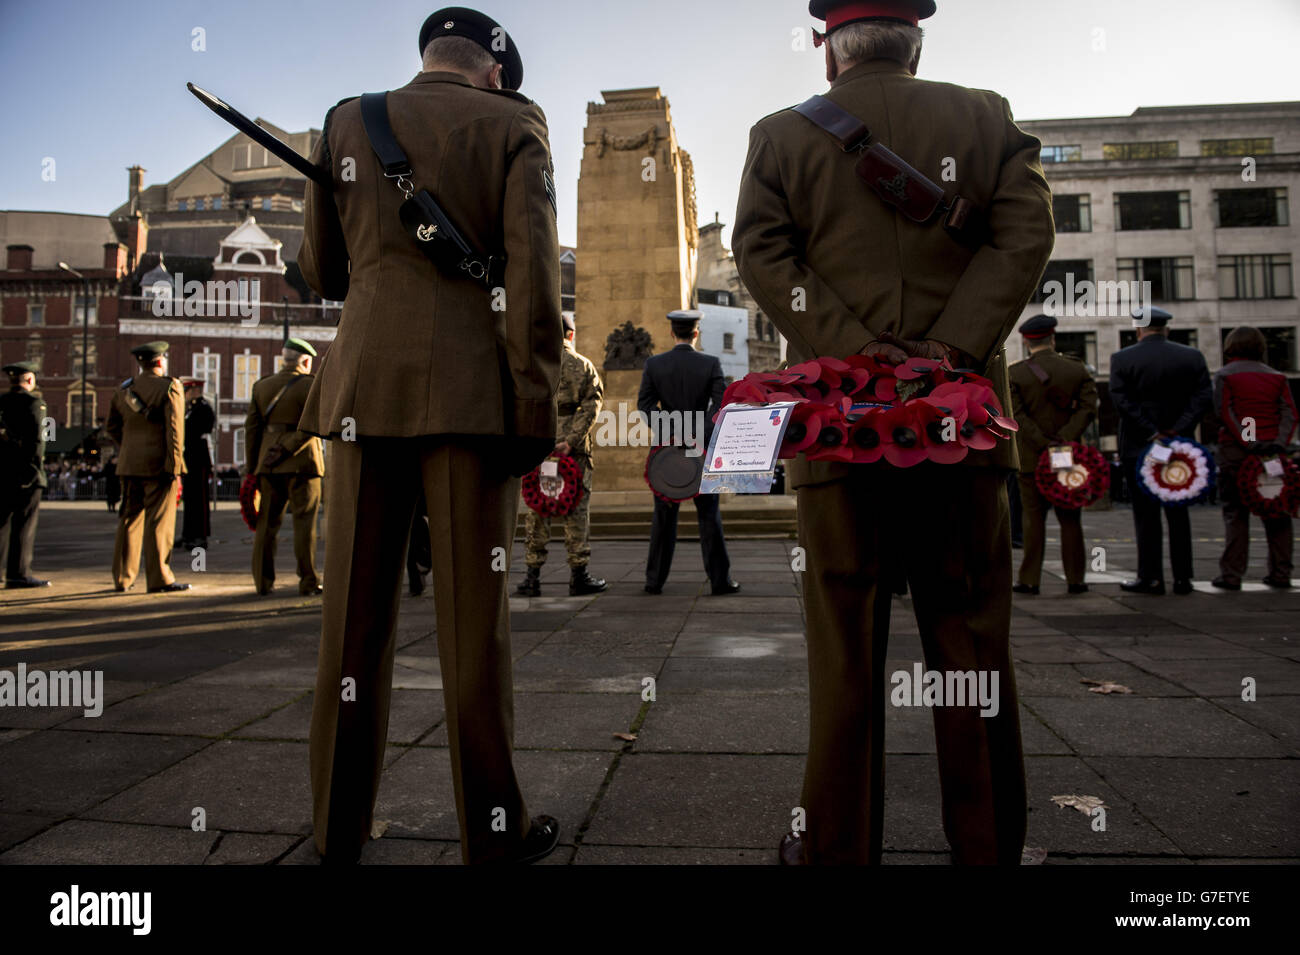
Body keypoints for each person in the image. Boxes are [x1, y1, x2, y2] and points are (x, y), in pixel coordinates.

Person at [733, 0, 1054, 864]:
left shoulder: (781, 135)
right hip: (963, 418)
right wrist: (950, 348)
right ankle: (988, 843)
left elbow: (762, 253)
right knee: (970, 637)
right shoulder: (984, 114)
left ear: (824, 49)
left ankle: (837, 844)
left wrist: (854, 352)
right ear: (918, 42)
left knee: (844, 645)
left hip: (841, 427)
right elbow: (1028, 232)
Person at [297, 6, 562, 865]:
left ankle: (336, 835)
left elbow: (324, 272)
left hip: (360, 390)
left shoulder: (348, 118)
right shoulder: (516, 123)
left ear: (426, 58)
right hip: (466, 396)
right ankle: (494, 833)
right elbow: (533, 278)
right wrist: (534, 402)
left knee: (350, 629)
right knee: (472, 631)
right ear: (492, 70)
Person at [1109, 307, 1212, 596]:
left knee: (1146, 517)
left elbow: (1122, 402)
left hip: (1140, 447)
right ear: (1166, 329)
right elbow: (1203, 397)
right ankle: (1183, 579)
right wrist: (1177, 429)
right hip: (1179, 447)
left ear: (1138, 331)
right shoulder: (1192, 357)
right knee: (1178, 513)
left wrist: (1151, 431)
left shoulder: (1122, 358)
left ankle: (1151, 577)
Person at [638, 310, 739, 596]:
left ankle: (654, 581)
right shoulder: (710, 363)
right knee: (709, 517)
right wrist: (696, 433)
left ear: (673, 333)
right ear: (696, 333)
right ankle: (720, 581)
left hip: (666, 454)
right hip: (701, 451)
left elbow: (645, 405)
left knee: (663, 519)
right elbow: (719, 406)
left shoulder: (654, 364)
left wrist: (671, 432)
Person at [517, 314, 606, 597]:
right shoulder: (583, 365)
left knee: (537, 510)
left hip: (538, 450)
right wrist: (570, 441)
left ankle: (532, 577)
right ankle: (578, 575)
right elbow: (592, 406)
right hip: (574, 454)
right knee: (576, 511)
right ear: (570, 335)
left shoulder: (534, 368)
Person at [1008, 314, 1098, 595]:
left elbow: (1016, 416)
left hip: (1032, 458)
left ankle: (1030, 579)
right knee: (1070, 519)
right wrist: (1064, 439)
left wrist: (1042, 442)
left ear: (1025, 340)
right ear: (1053, 337)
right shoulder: (1076, 369)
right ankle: (1076, 579)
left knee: (1032, 520)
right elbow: (1088, 408)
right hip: (1068, 457)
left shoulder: (1016, 373)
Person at [1211, 326, 1297, 590]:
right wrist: (1278, 443)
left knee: (1235, 514)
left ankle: (1232, 574)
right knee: (1277, 510)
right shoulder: (1277, 377)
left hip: (1236, 453)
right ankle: (1281, 572)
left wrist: (1249, 440)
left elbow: (1226, 412)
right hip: (1273, 453)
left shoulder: (1225, 376)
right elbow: (1289, 413)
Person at [106, 341, 190, 593]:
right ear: (160, 361)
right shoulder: (170, 387)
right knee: (159, 523)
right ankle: (159, 578)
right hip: (158, 466)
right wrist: (175, 466)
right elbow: (175, 431)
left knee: (129, 519)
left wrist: (130, 448)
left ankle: (122, 577)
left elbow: (111, 427)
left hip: (128, 464)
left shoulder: (124, 390)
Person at [244, 339, 324, 596]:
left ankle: (262, 582)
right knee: (304, 525)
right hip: (304, 463)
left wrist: (253, 467)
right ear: (306, 361)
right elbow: (314, 424)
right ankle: (307, 581)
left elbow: (251, 431)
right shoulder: (310, 386)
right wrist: (289, 447)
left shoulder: (261, 386)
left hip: (268, 464)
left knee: (266, 524)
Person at [0, 361, 51, 588]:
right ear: (30, 380)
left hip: (2, 472)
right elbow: (38, 442)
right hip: (25, 474)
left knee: (0, 524)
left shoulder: (1, 403)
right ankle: (18, 573)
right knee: (24, 525)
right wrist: (35, 471)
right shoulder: (34, 404)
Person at [179, 378, 216, 550]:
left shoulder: (203, 408)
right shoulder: (190, 409)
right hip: (189, 457)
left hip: (198, 457)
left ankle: (200, 536)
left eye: (186, 391)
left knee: (199, 500)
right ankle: (188, 533)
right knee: (189, 498)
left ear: (194, 390)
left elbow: (202, 429)